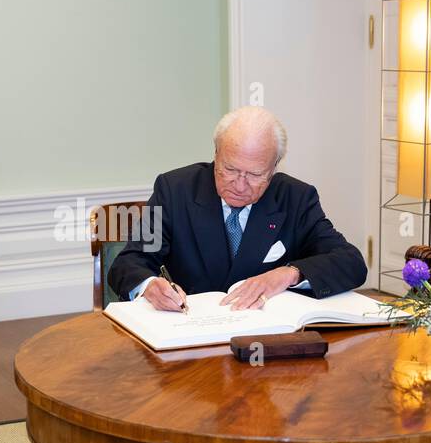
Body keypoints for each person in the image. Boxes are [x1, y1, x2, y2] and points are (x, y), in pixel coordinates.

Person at [108, 106, 367, 310]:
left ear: (274, 167)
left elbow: (351, 262)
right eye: (230, 169)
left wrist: (290, 274)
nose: (240, 185)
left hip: (268, 344)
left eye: (255, 175)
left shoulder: (296, 198)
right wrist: (150, 285)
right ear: (216, 154)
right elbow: (130, 262)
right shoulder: (174, 190)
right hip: (190, 340)